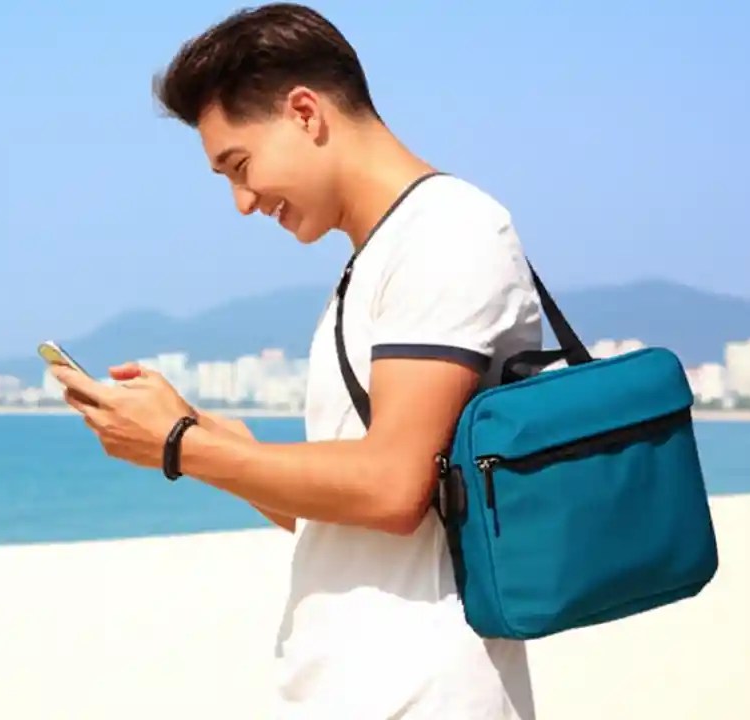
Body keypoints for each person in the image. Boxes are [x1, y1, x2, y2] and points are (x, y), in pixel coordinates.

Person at [49, 3, 541, 717]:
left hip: (422, 692)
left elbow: (391, 488)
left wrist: (180, 447)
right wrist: (216, 443)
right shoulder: (377, 259)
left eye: (238, 165)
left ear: (305, 113)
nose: (243, 202)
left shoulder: (448, 234)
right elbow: (353, 517)